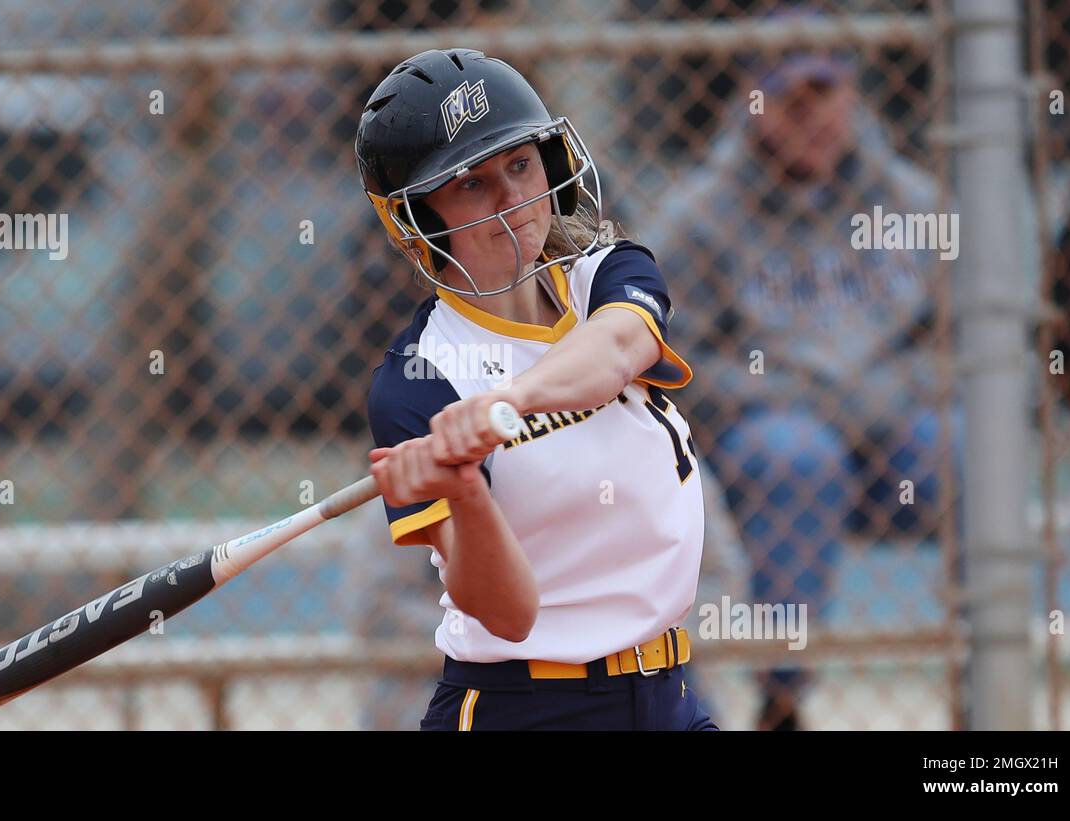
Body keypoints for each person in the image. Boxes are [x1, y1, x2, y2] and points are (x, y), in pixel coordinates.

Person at [356, 48, 715, 731]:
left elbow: (614, 351)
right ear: (416, 221)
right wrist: (461, 487)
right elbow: (508, 614)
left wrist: (506, 404)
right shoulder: (418, 381)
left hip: (666, 696)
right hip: (524, 709)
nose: (512, 199)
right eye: (469, 183)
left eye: (520, 164)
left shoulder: (608, 274)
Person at [641, 45, 956, 730]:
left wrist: (885, 391)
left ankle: (981, 664)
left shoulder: (912, 200)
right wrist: (791, 395)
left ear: (855, 97)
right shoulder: (700, 213)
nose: (812, 116)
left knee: (962, 446)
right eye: (790, 100)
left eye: (827, 93)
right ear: (754, 107)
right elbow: (666, 359)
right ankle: (783, 695)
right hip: (761, 443)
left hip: (892, 435)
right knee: (799, 455)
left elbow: (966, 345)